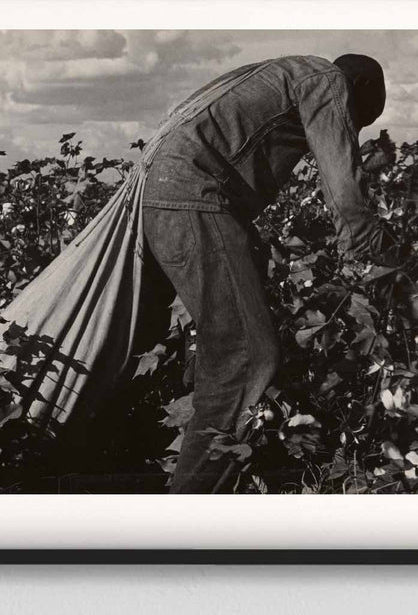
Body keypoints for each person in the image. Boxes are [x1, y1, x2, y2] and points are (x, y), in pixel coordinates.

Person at [141, 54, 391, 494]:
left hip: (164, 199)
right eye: (355, 121)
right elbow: (344, 185)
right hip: (195, 198)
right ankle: (188, 513)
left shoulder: (281, 74)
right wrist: (371, 260)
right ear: (360, 91)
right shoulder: (325, 80)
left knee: (225, 341)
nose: (349, 128)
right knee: (245, 359)